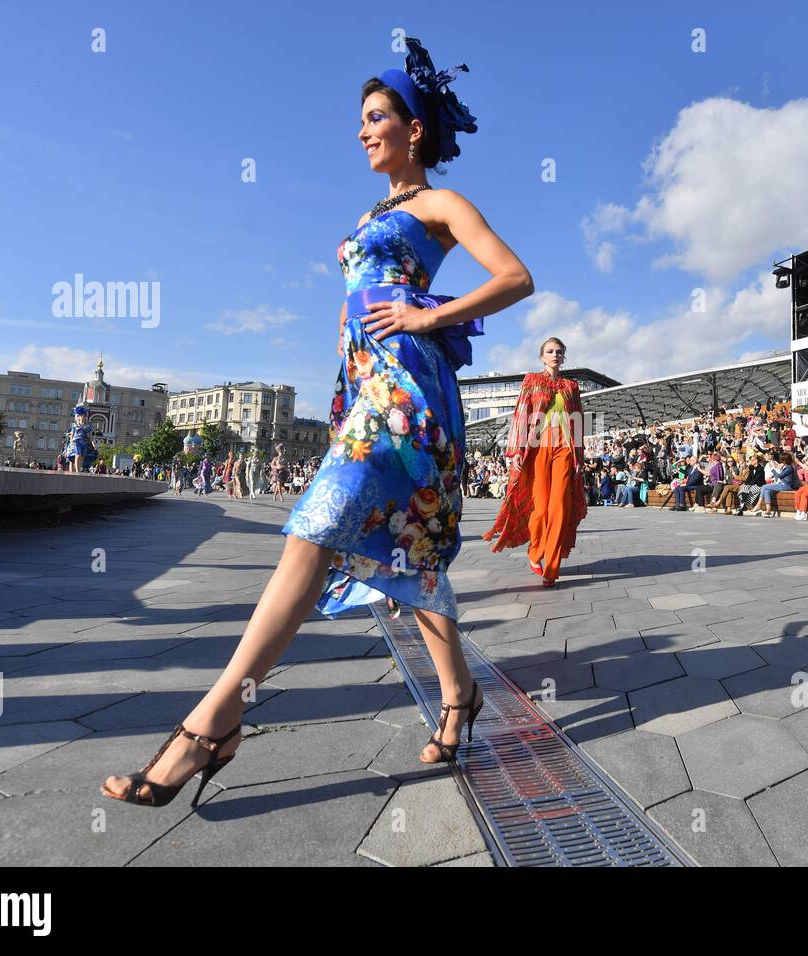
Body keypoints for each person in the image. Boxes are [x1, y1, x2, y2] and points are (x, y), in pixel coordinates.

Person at [101, 37, 530, 808]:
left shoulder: (439, 205)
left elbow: (514, 278)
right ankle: (460, 694)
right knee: (411, 561)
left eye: (375, 118)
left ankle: (213, 722)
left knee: (316, 525)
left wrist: (428, 317)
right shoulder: (375, 211)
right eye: (361, 121)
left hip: (408, 395)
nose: (363, 132)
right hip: (366, 392)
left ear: (414, 128)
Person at [481, 338, 586, 586]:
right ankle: (535, 552)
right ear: (542, 357)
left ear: (564, 357)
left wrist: (579, 455)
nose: (555, 355)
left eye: (559, 352)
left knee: (560, 505)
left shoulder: (571, 386)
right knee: (540, 509)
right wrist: (517, 450)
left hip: (564, 448)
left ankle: (551, 566)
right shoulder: (532, 381)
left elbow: (578, 419)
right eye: (550, 351)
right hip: (537, 448)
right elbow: (521, 414)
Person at [62, 406, 98, 474]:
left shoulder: (88, 426)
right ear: (79, 416)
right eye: (82, 416)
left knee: (82, 456)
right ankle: (77, 471)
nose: (84, 417)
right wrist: (72, 442)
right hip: (76, 442)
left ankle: (78, 469)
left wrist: (93, 444)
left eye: (85, 416)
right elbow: (72, 434)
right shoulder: (75, 425)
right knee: (77, 455)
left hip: (84, 443)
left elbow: (90, 437)